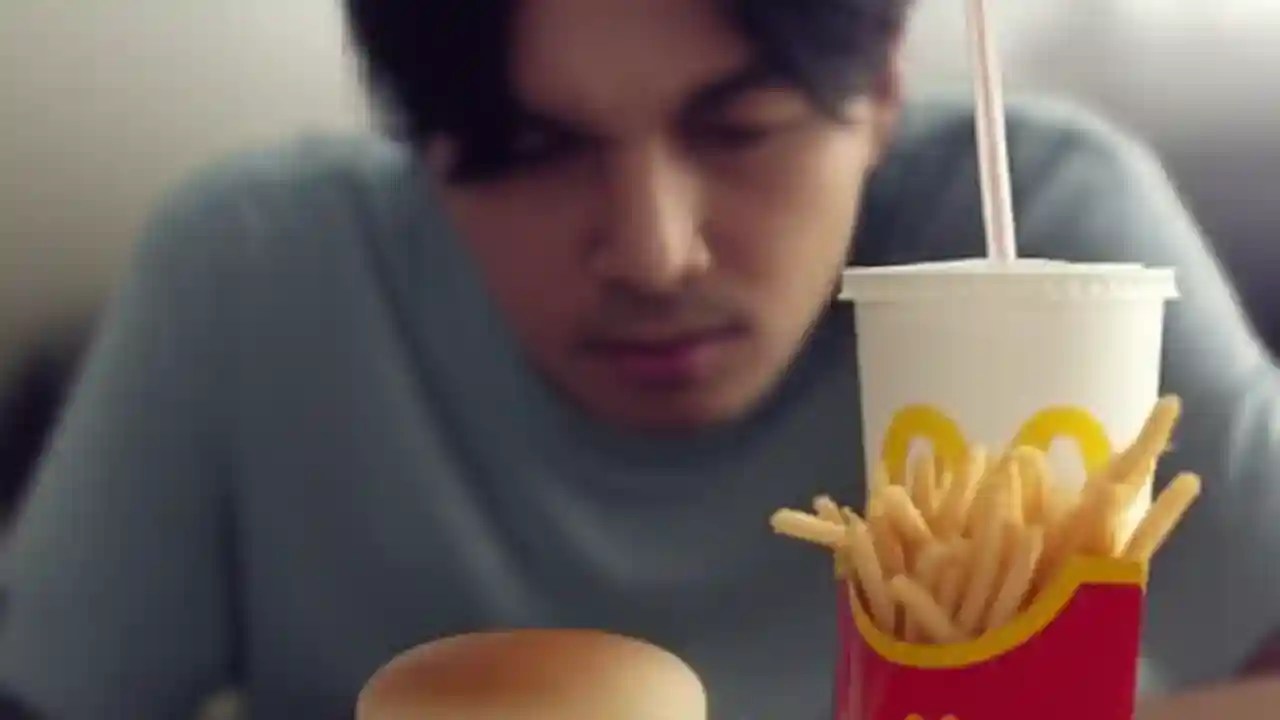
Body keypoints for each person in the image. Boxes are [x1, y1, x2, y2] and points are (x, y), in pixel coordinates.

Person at [1, 0, 1277, 717]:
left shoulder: (1048, 227)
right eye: (533, 150)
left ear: (882, 89)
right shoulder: (245, 269)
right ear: (420, 143)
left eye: (741, 129)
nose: (655, 252)